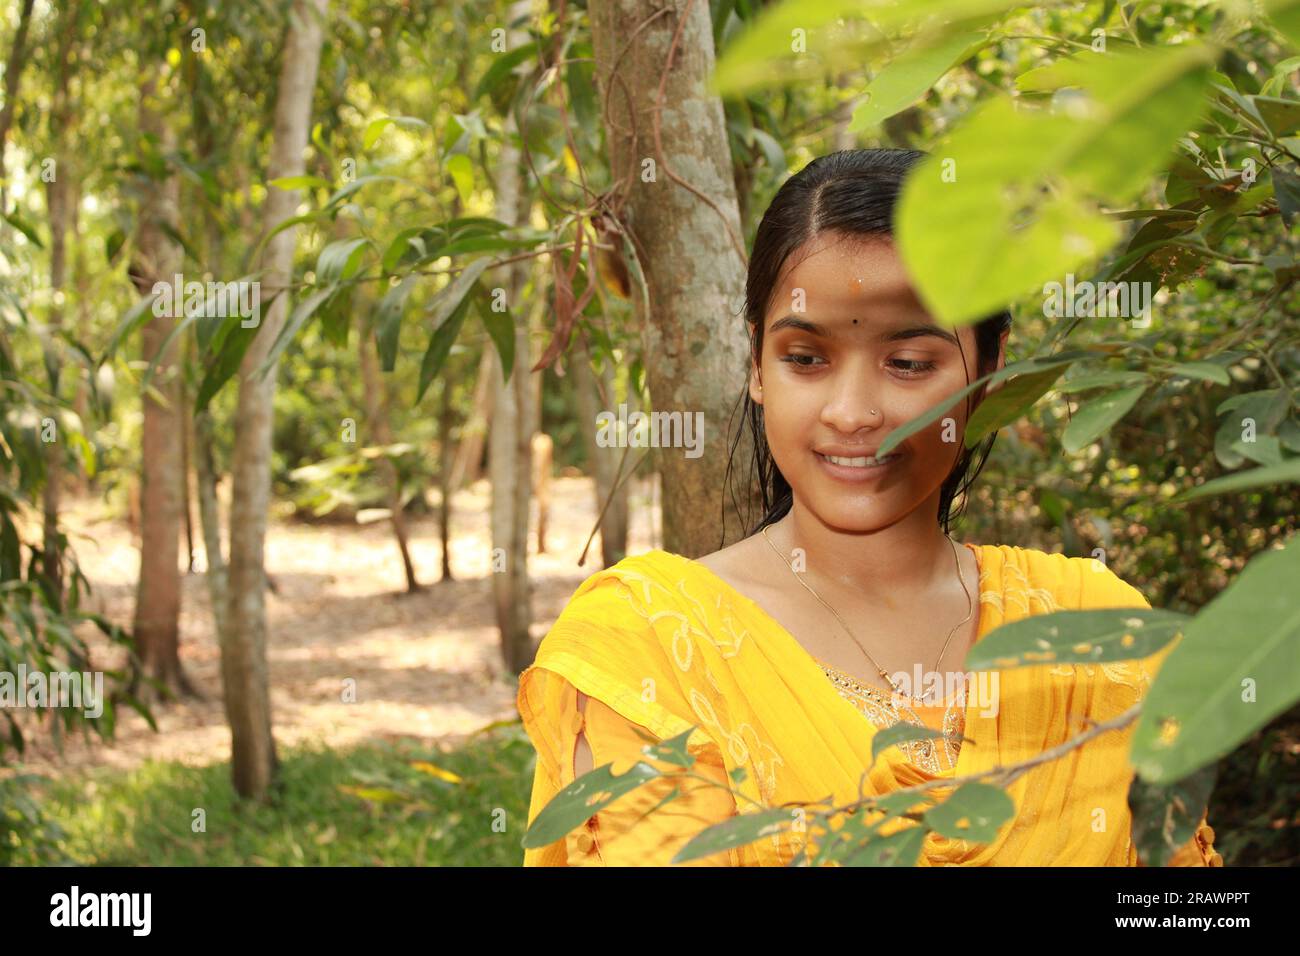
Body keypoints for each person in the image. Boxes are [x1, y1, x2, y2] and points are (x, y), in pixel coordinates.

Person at [516, 148, 1222, 867]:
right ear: (757, 364)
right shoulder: (647, 650)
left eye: (909, 363)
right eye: (806, 358)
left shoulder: (1098, 631)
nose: (853, 413)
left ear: (991, 369)